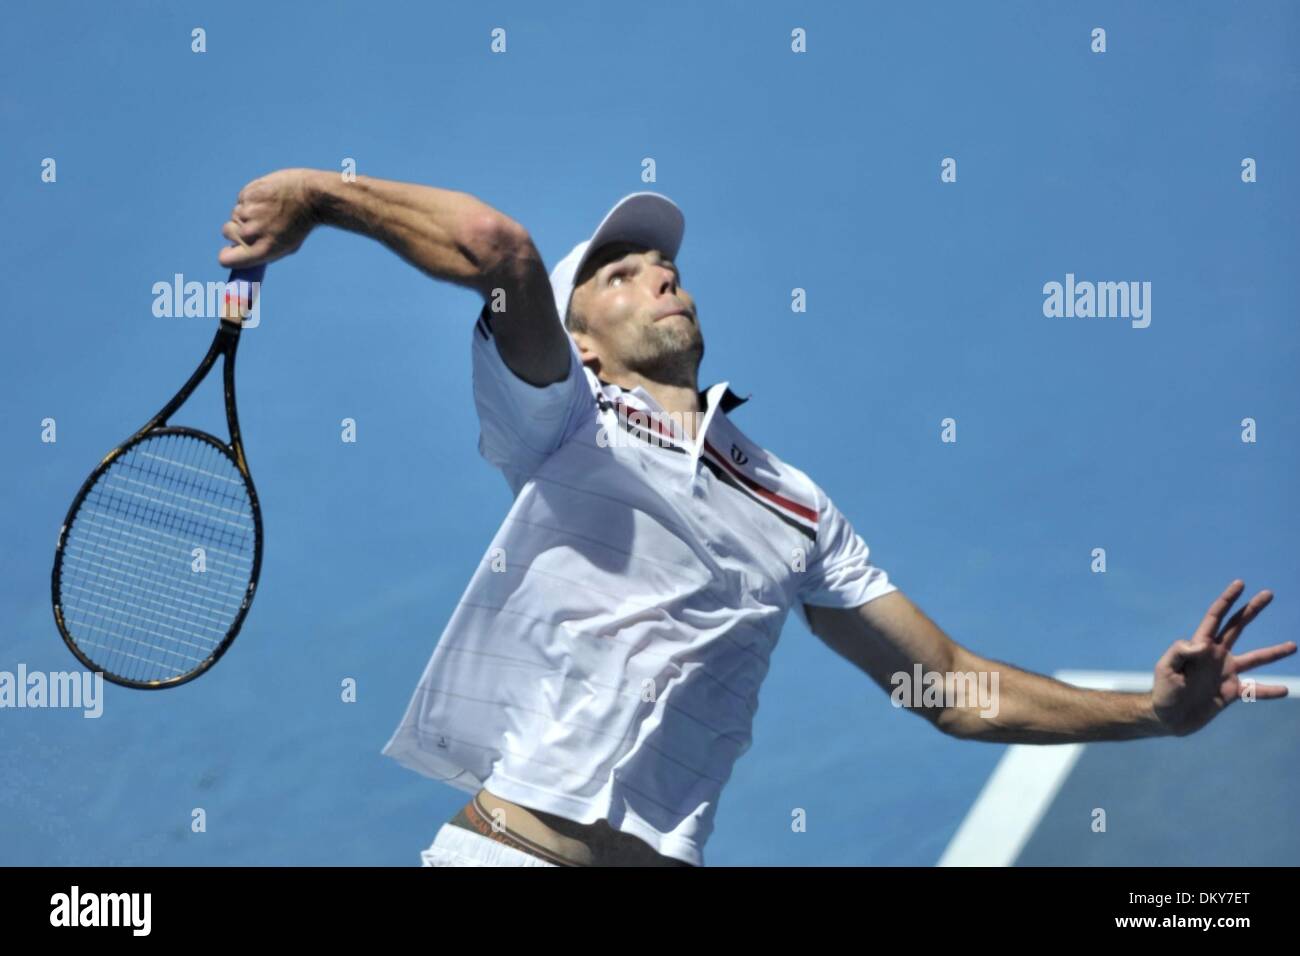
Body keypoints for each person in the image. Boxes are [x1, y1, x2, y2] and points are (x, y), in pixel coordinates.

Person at [218, 170, 1296, 867]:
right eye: (618, 273)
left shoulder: (796, 502)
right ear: (577, 338)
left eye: (664, 264)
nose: (661, 274)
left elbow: (950, 689)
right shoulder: (560, 414)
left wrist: (1151, 717)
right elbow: (498, 247)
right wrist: (320, 195)